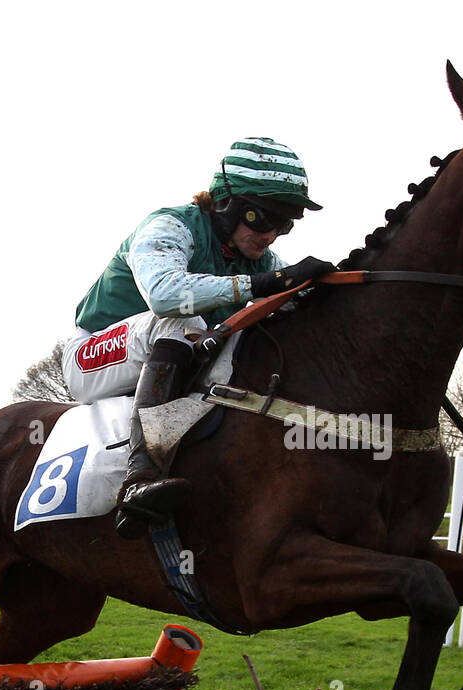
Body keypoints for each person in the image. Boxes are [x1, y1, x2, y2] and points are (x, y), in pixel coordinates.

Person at [63, 137, 335, 538]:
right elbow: (165, 295)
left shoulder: (259, 259)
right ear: (226, 203)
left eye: (284, 225)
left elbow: (290, 302)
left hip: (171, 354)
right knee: (179, 322)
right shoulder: (170, 225)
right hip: (92, 357)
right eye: (262, 219)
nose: (270, 236)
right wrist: (267, 283)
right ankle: (139, 478)